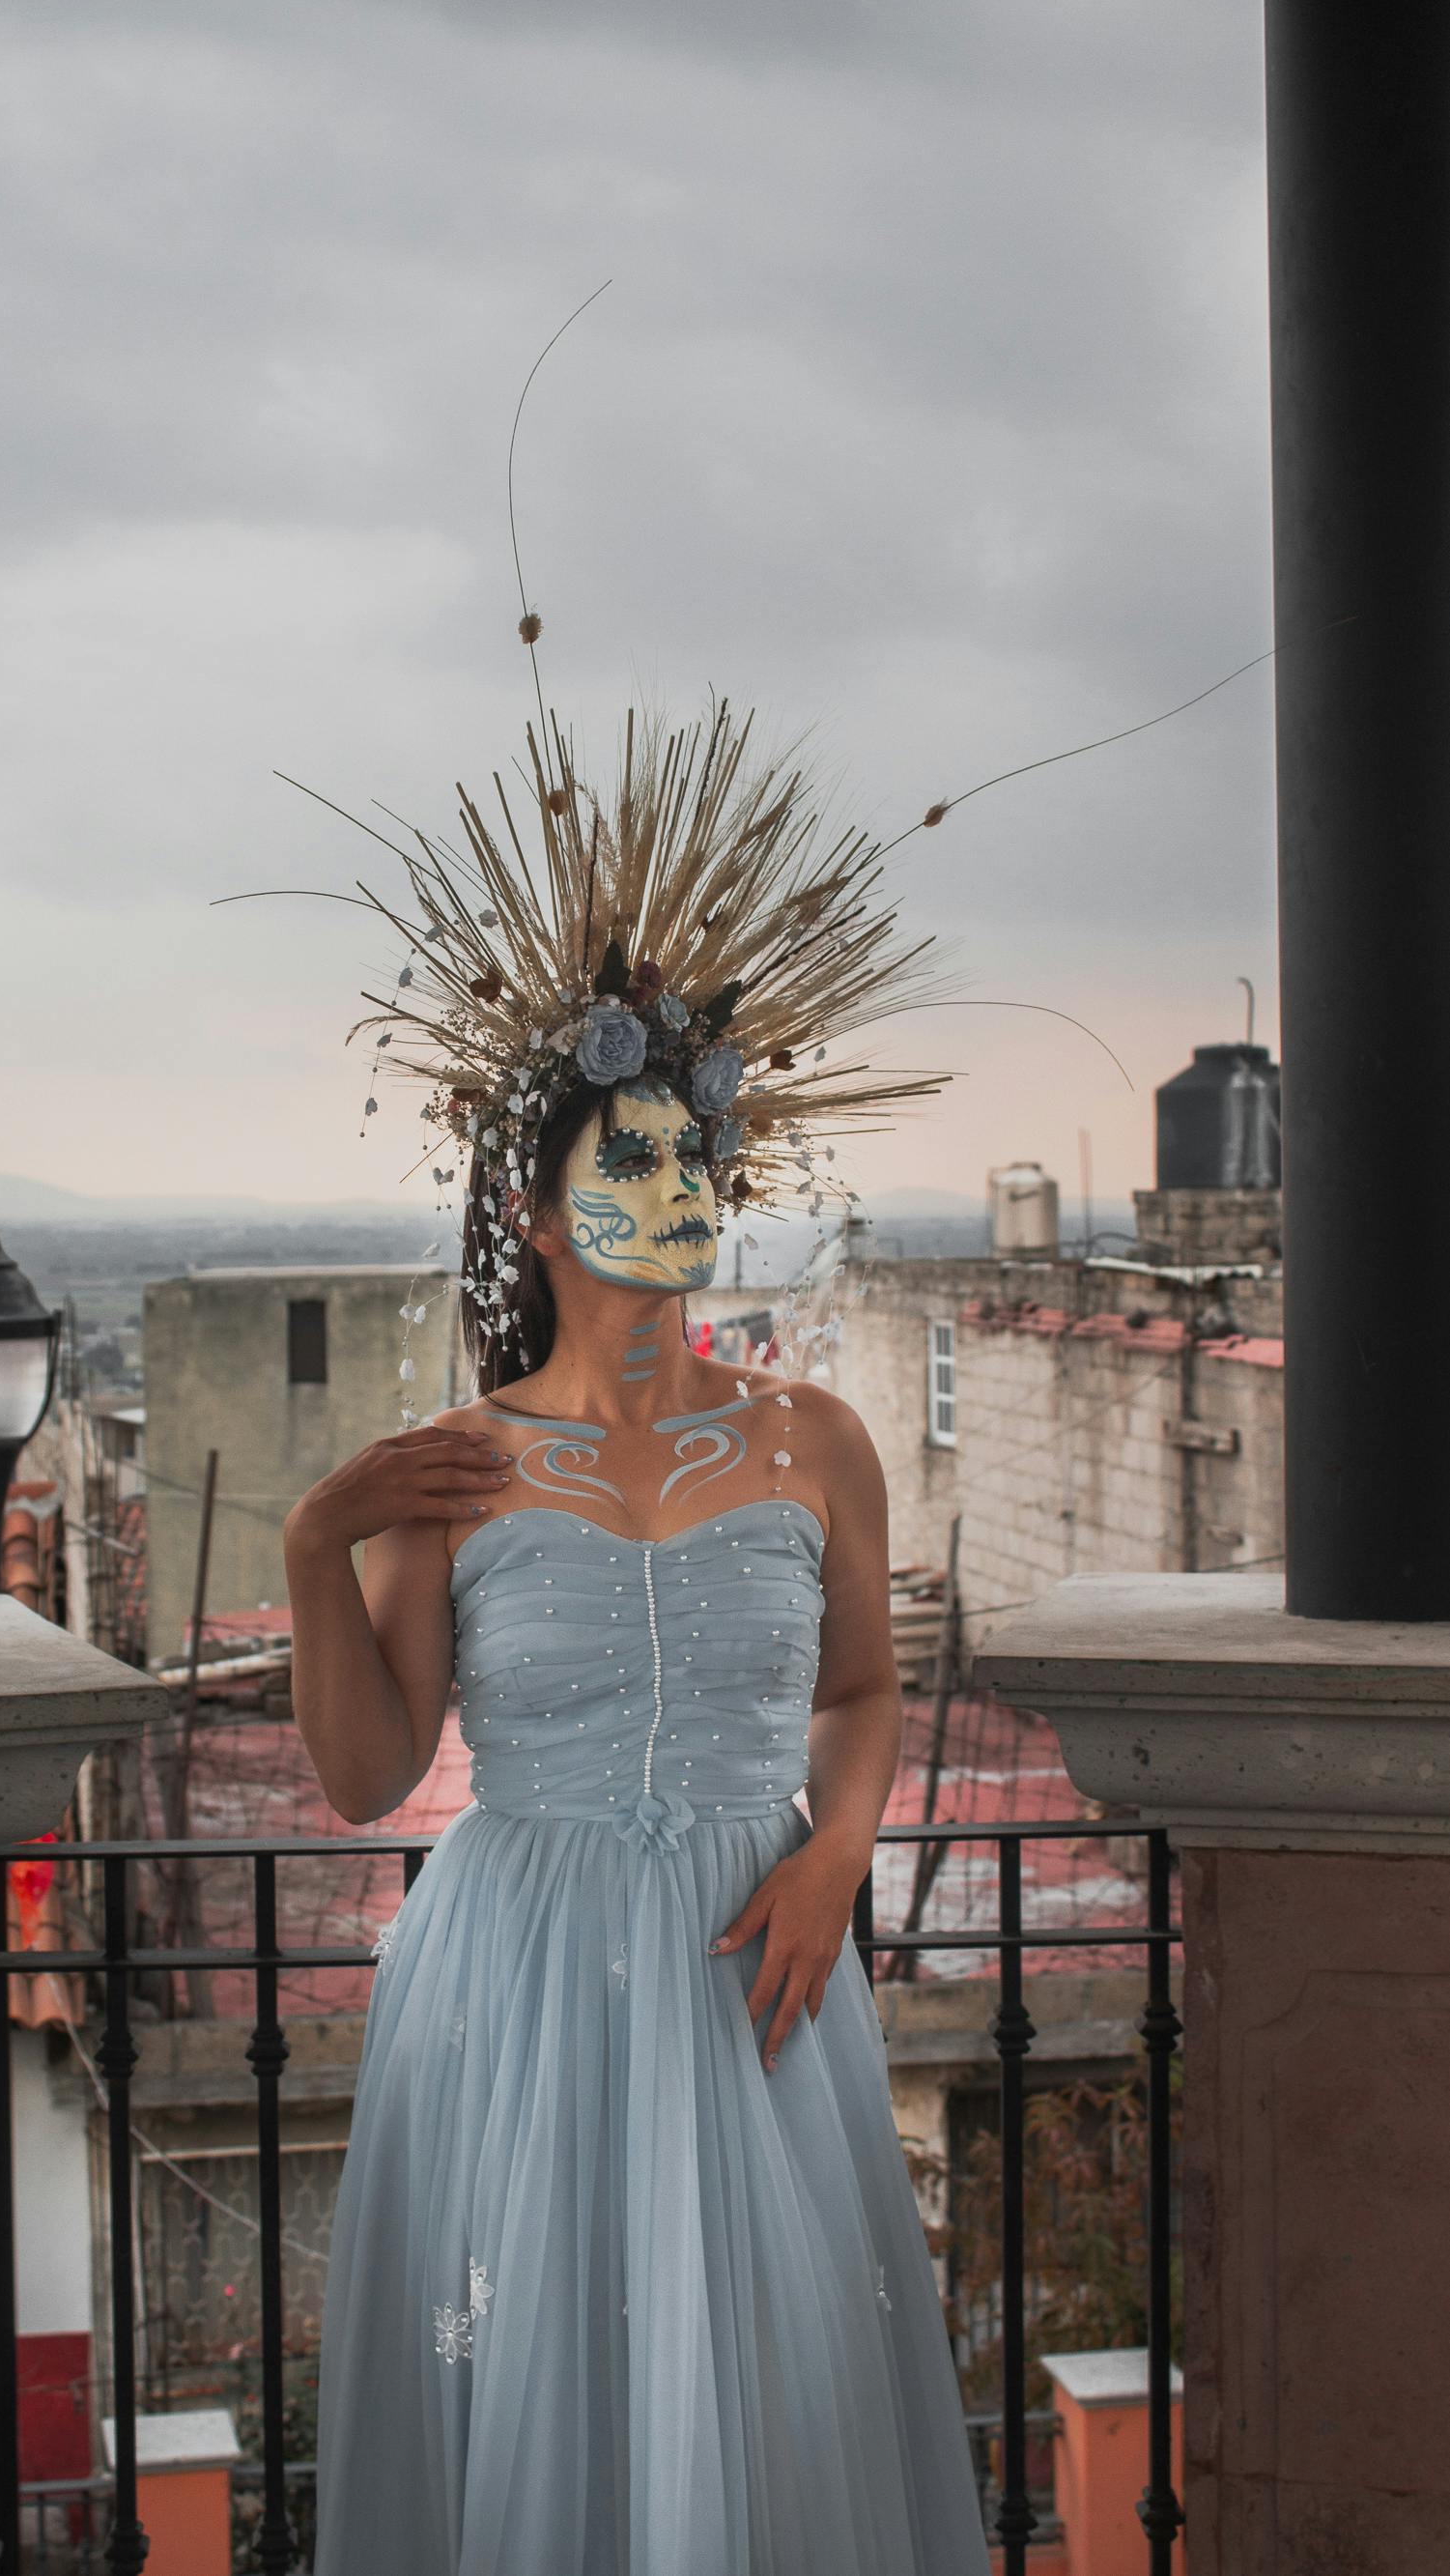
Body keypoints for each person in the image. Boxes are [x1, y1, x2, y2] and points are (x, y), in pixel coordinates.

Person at [286, 703, 989, 2572]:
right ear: (533, 1208)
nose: (682, 1194)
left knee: (762, 2415)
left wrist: (836, 1851)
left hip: (757, 1962)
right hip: (516, 1982)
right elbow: (363, 1777)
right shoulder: (453, 1466)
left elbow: (860, 1688)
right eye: (635, 1159)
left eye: (698, 1158)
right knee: (549, 2415)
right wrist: (311, 1537)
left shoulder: (815, 1438)